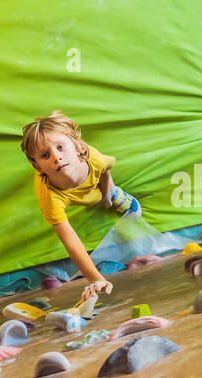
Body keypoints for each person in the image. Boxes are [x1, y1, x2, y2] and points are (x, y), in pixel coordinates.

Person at [21, 110, 140, 301]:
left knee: (102, 194)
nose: (56, 157)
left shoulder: (94, 159)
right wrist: (96, 278)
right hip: (66, 194)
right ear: (38, 166)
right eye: (45, 155)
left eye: (61, 147)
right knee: (90, 197)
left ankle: (115, 194)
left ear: (77, 147)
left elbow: (105, 171)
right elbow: (70, 240)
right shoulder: (48, 196)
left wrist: (108, 194)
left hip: (94, 182)